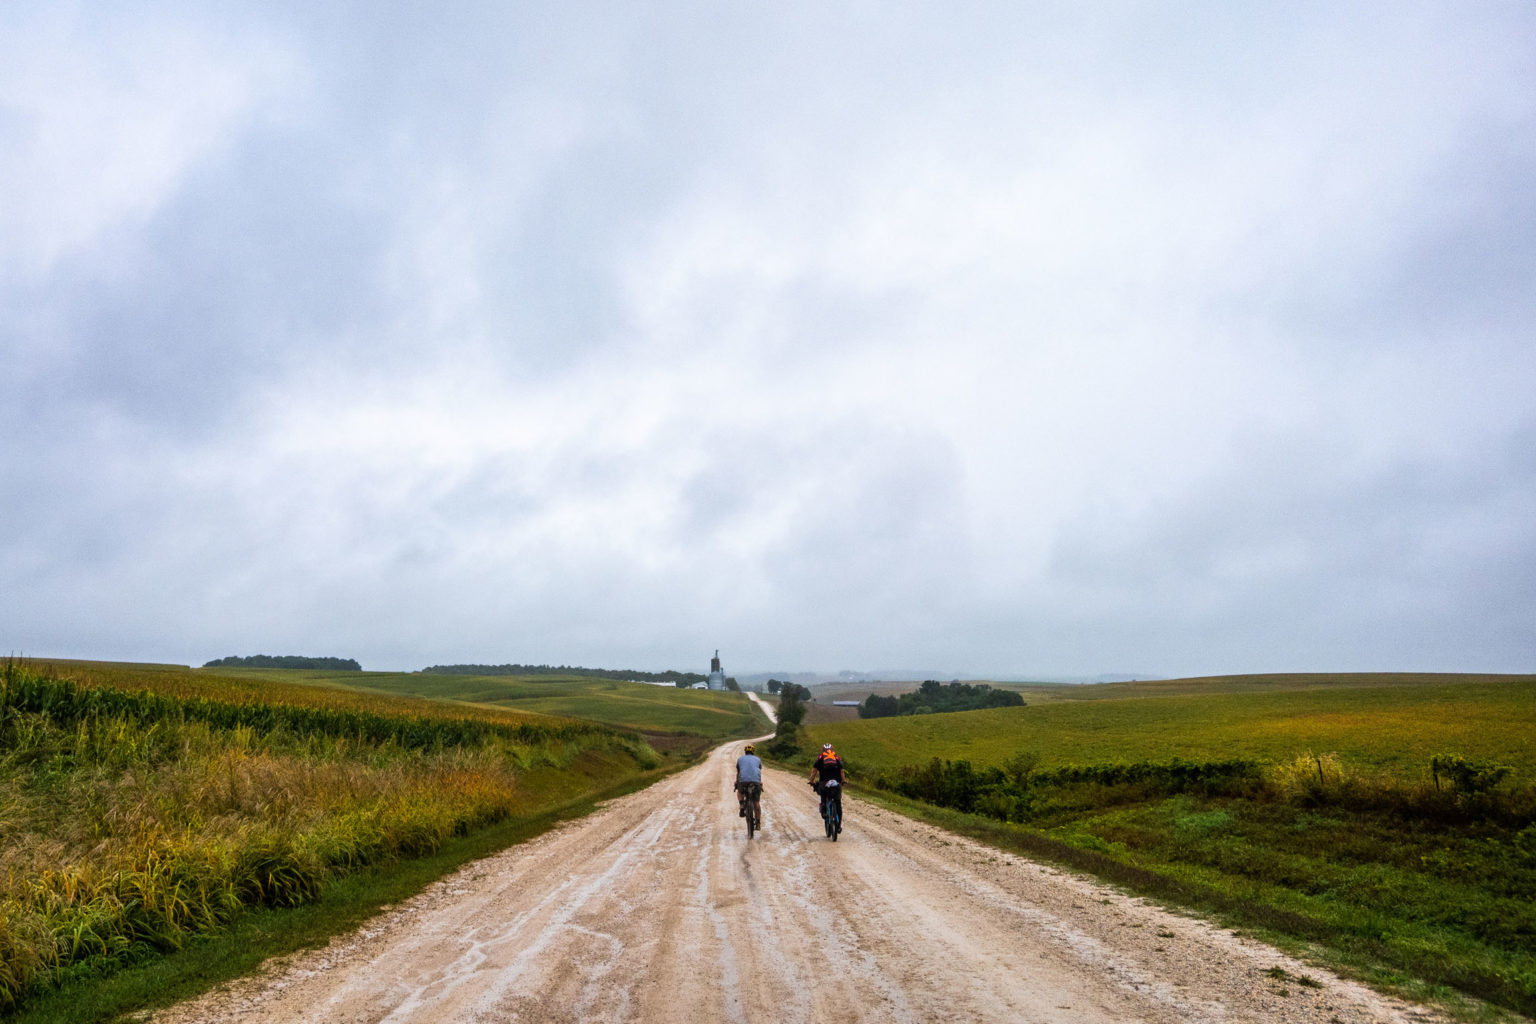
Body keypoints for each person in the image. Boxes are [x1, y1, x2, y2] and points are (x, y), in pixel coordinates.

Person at [808, 742, 846, 826]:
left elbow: (814, 772)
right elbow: (842, 771)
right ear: (832, 749)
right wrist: (843, 781)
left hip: (824, 784)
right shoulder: (837, 758)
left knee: (823, 796)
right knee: (838, 803)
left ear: (823, 750)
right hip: (836, 784)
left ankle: (824, 809)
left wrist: (811, 781)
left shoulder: (820, 759)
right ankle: (838, 825)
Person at [735, 743, 763, 827]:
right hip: (756, 782)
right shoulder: (758, 759)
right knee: (756, 802)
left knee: (739, 792)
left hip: (743, 781)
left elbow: (739, 772)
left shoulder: (740, 759)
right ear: (753, 752)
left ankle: (742, 804)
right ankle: (758, 823)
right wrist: (760, 781)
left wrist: (736, 781)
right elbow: (758, 771)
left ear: (745, 752)